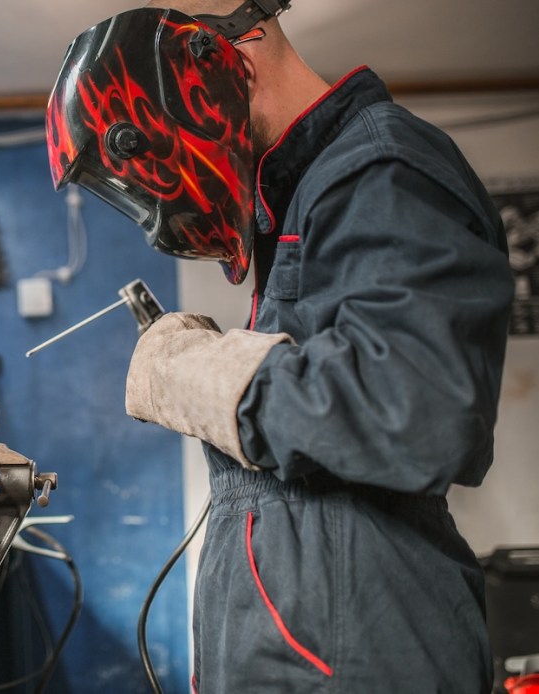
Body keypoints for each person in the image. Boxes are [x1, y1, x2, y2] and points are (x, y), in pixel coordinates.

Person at [45, 1, 515, 691]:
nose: (155, 215)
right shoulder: (311, 193)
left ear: (217, 66)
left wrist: (203, 374)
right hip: (321, 649)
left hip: (359, 658)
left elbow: (414, 406)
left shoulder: (379, 168)